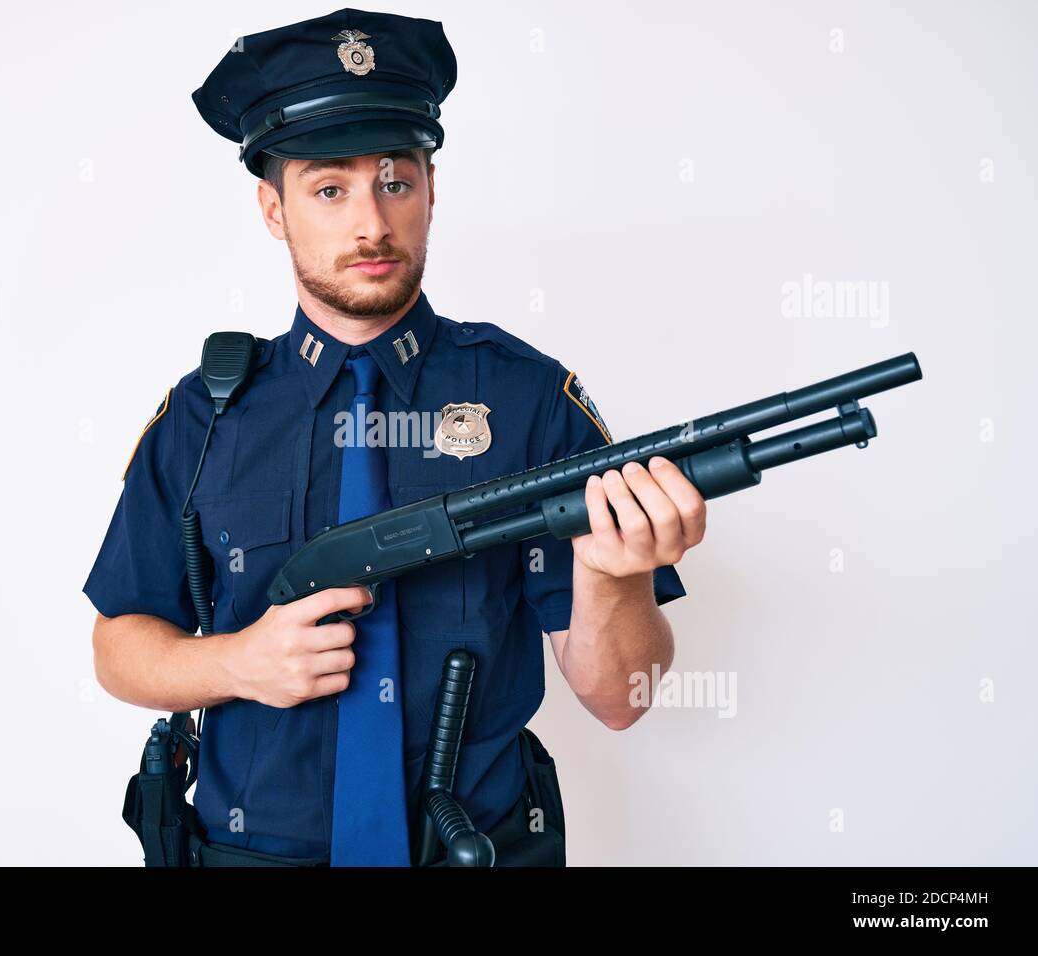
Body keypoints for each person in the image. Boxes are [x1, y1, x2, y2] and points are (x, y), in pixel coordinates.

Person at [83, 8, 707, 867]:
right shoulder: (203, 412)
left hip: (476, 852)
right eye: (329, 189)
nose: (371, 223)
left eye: (395, 181)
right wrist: (237, 663)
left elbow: (618, 699)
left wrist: (613, 576)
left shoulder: (527, 398)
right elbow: (118, 647)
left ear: (432, 189)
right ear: (274, 207)